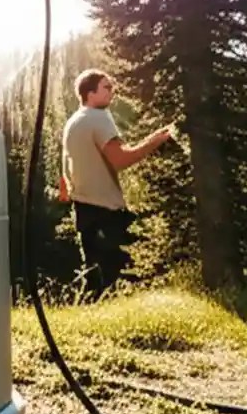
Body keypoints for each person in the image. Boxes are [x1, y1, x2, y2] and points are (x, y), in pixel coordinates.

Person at [59, 68, 173, 298]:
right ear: (90, 94)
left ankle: (86, 322)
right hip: (106, 210)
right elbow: (121, 159)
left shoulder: (73, 122)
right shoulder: (98, 118)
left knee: (93, 278)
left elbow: (65, 166)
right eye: (107, 87)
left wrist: (66, 191)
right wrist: (156, 140)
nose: (113, 92)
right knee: (126, 273)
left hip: (82, 206)